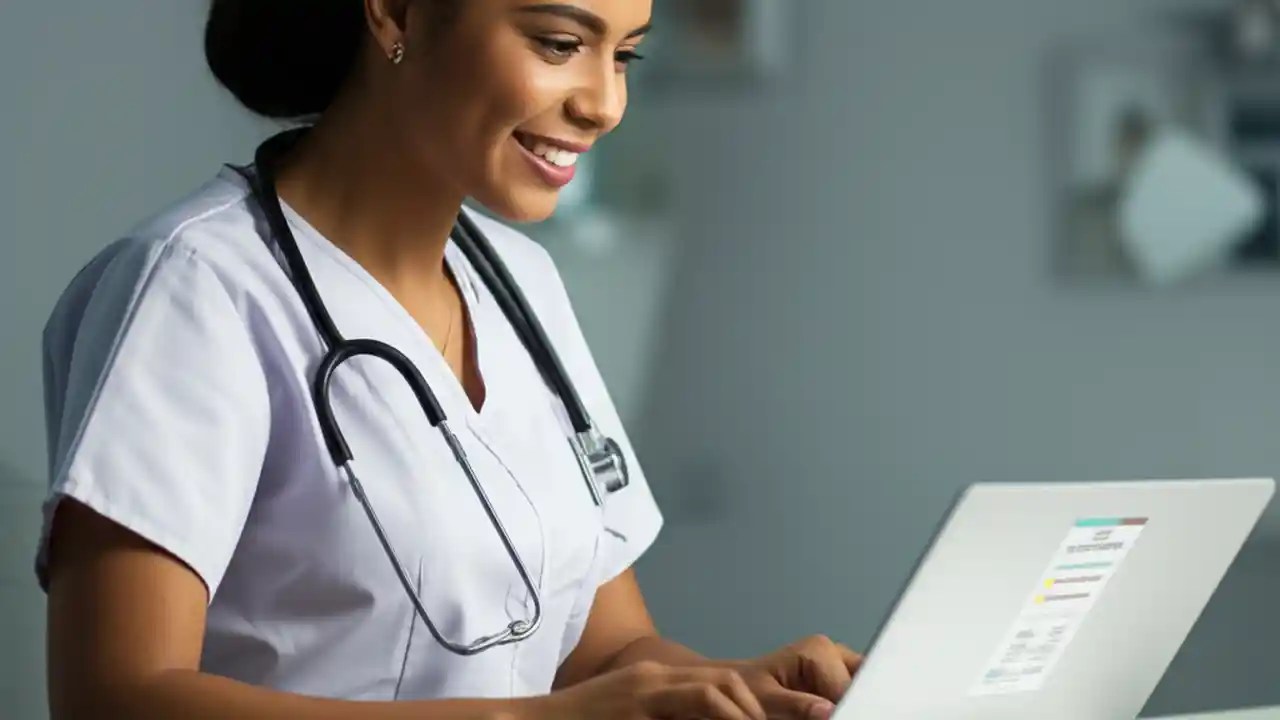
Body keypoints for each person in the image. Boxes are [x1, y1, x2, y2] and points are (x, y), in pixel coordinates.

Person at [36, 1, 861, 719]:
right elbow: (116, 698)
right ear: (394, 13)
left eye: (627, 54)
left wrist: (744, 690)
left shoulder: (521, 283)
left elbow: (606, 653)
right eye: (558, 43)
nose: (606, 103)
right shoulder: (196, 289)